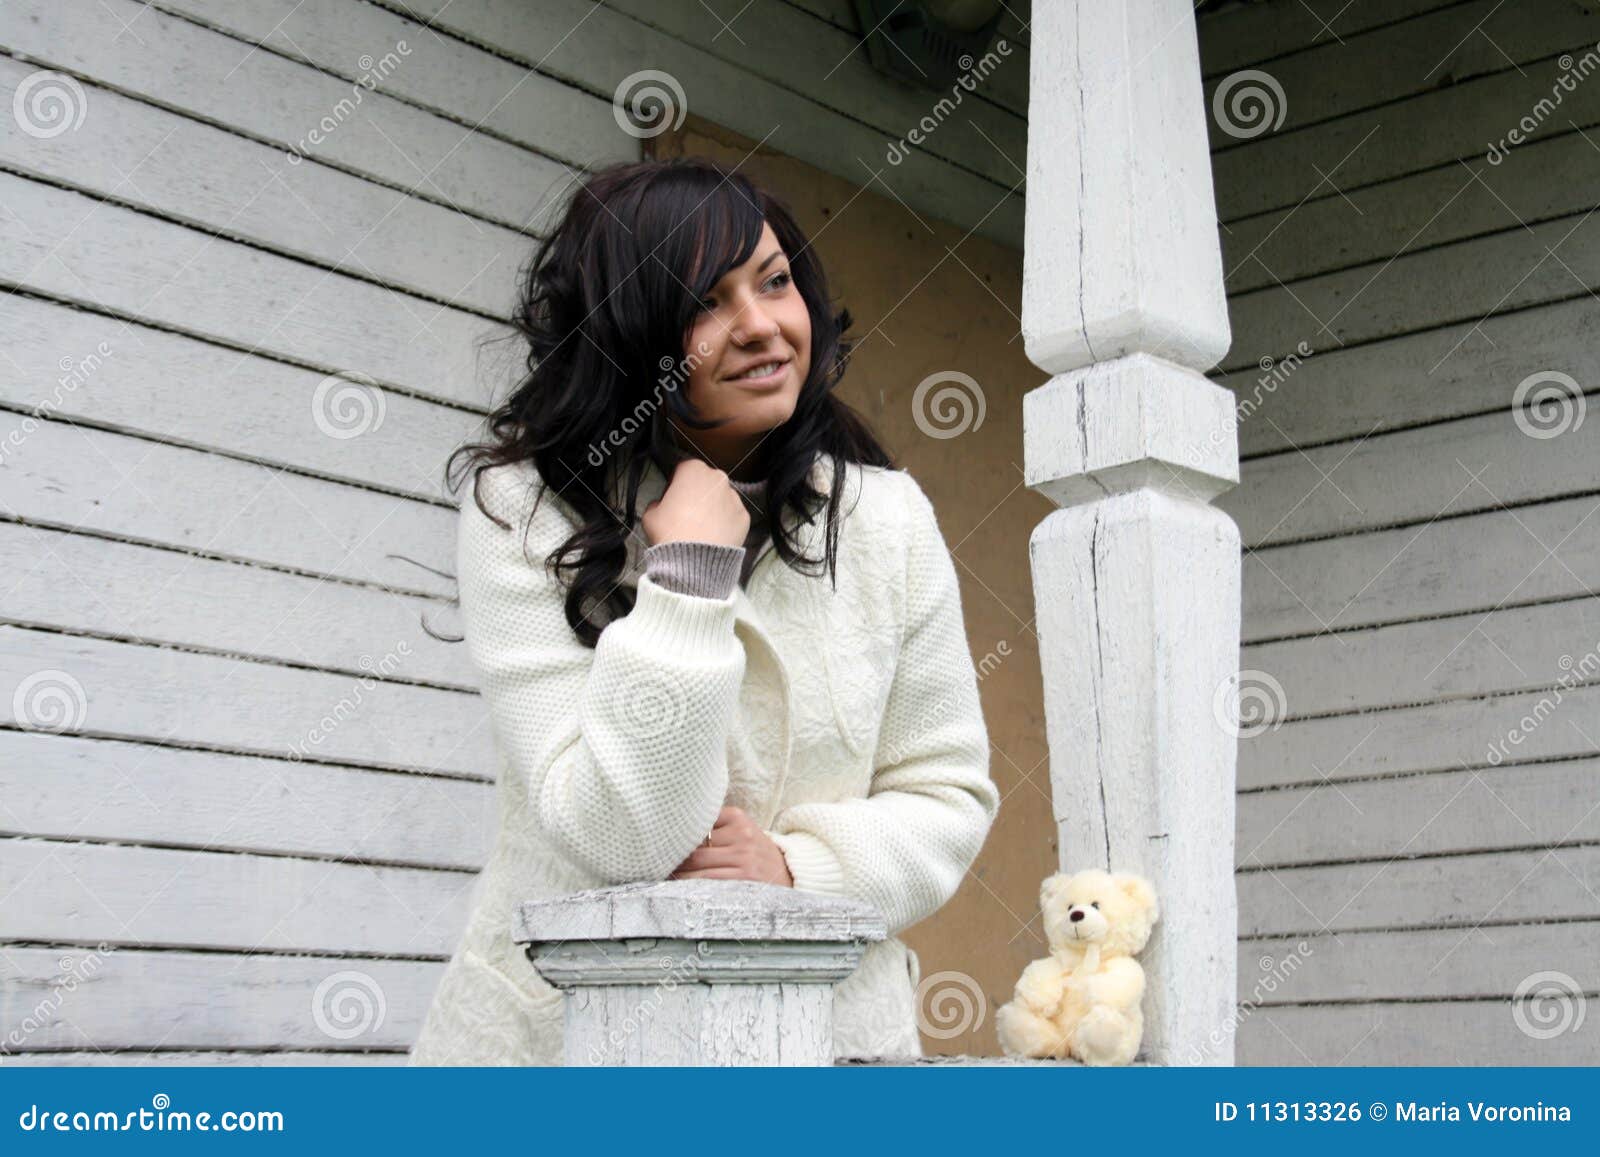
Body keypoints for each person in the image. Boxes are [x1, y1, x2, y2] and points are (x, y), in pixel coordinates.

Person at [407, 156, 999, 1065]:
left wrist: (796, 869)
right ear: (628, 333)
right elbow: (625, 831)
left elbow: (945, 793)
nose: (762, 326)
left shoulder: (885, 518)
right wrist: (686, 575)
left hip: (830, 1042)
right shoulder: (524, 508)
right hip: (564, 1047)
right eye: (704, 304)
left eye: (774, 282)